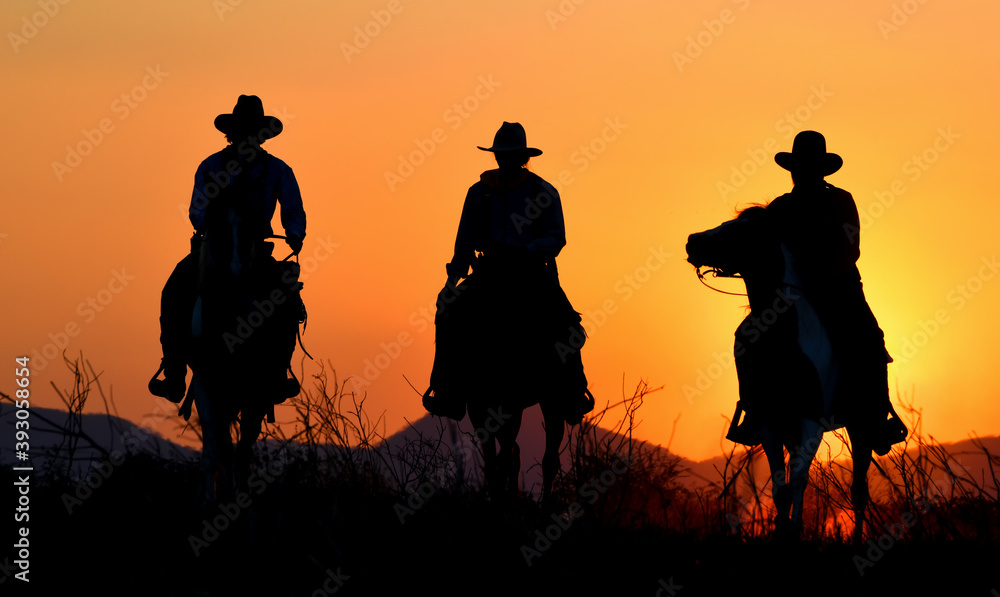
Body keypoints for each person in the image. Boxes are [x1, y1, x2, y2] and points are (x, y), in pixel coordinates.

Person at [422, 121, 591, 423]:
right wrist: (451, 280)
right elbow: (463, 243)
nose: (504, 159)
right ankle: (446, 390)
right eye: (501, 154)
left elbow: (557, 236)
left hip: (531, 274)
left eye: (510, 154)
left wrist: (529, 250)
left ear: (523, 157)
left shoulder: (543, 191)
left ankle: (574, 393)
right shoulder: (478, 193)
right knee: (446, 309)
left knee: (568, 322)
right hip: (488, 274)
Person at [148, 94, 305, 404]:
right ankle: (175, 372)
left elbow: (293, 207)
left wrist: (295, 232)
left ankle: (278, 372)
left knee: (287, 300)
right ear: (233, 133)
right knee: (175, 290)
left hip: (256, 250)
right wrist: (215, 227)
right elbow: (197, 210)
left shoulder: (277, 170)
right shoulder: (212, 166)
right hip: (212, 248)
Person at [764, 130, 901, 450]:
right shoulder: (779, 209)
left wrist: (820, 275)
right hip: (791, 294)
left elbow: (849, 249)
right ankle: (755, 411)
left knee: (870, 337)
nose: (802, 172)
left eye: (808, 166)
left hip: (840, 291)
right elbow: (764, 249)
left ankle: (878, 416)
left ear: (819, 169)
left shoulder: (840, 200)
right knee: (754, 337)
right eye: (799, 166)